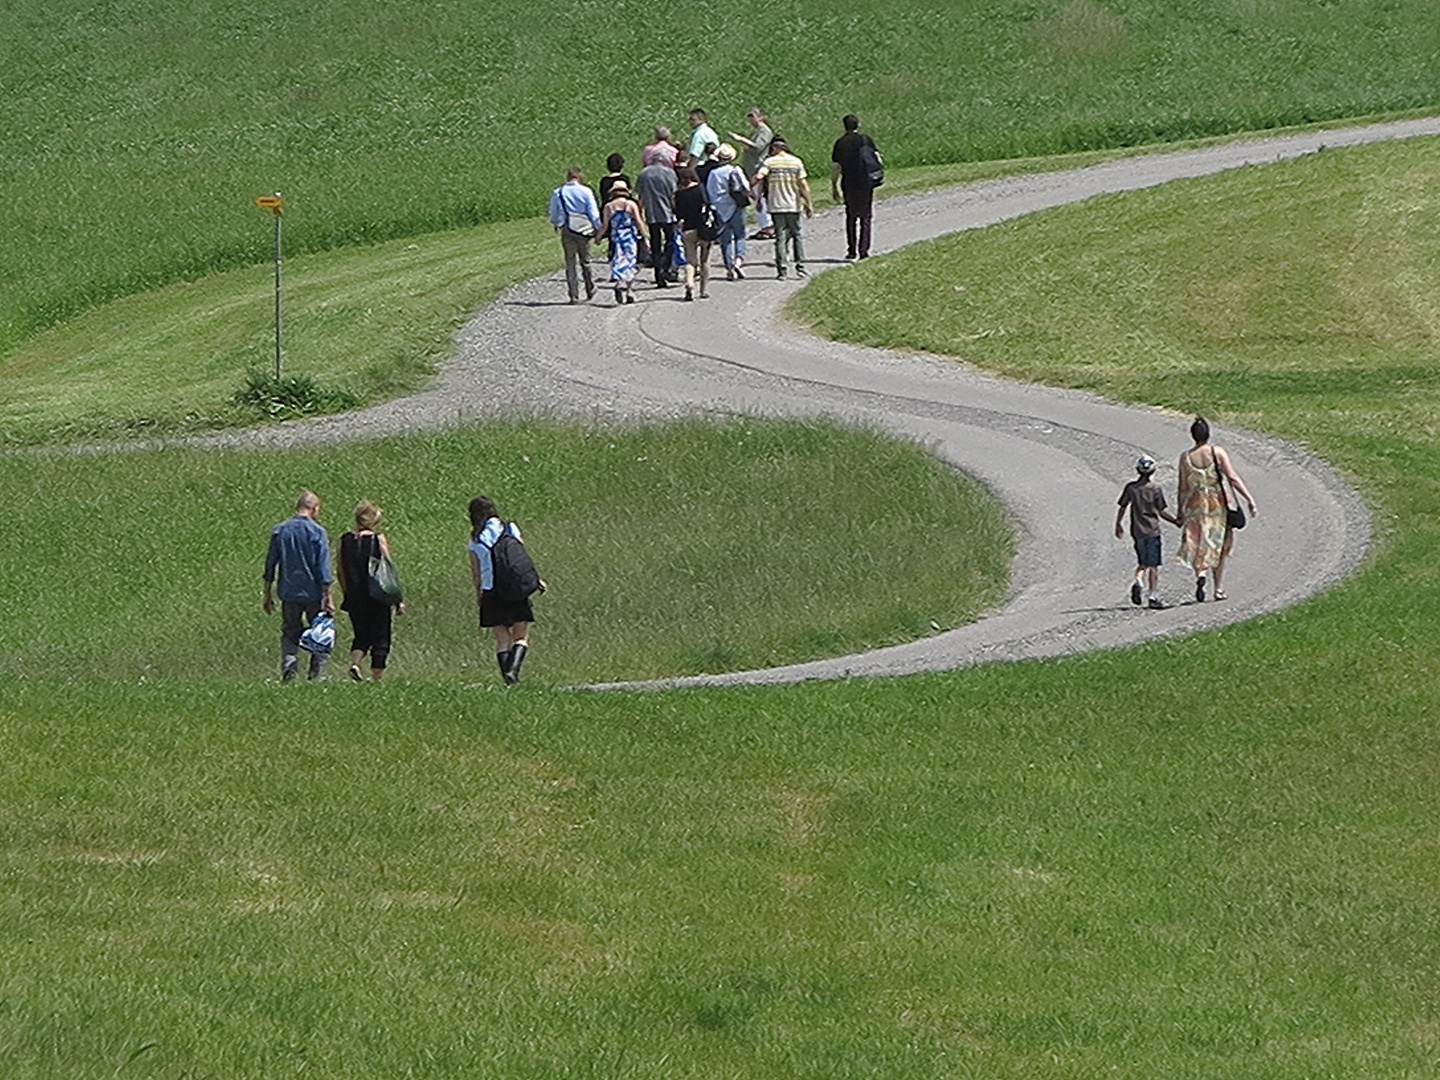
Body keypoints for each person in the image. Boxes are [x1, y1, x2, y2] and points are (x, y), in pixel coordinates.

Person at [1176, 416, 1258, 602]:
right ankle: (1218, 589)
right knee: (1220, 545)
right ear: (1208, 434)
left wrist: (1180, 511)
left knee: (1198, 543)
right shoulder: (1217, 452)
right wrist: (1249, 498)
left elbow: (1182, 487)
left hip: (1195, 505)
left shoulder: (1185, 458)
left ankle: (1201, 574)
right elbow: (1232, 477)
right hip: (1218, 504)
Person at [468, 496, 544, 685]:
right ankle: (513, 670)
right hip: (515, 587)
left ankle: (509, 680)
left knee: (502, 639)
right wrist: (534, 580)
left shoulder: (475, 539)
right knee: (521, 636)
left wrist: (479, 595)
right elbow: (521, 559)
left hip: (491, 590)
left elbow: (476, 573)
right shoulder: (509, 528)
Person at [263, 490, 335, 682]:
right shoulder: (318, 532)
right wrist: (328, 596)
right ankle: (316, 673)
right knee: (320, 633)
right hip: (313, 593)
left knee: (290, 631)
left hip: (289, 591)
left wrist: (267, 594)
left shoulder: (280, 531)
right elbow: (323, 568)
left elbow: (270, 564)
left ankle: (289, 663)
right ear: (314, 508)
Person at [336, 499, 402, 681]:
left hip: (354, 595)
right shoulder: (377, 539)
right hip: (377, 594)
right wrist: (398, 600)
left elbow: (340, 570)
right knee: (381, 636)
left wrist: (346, 592)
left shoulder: (344, 540)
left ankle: (355, 664)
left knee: (361, 635)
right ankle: (376, 677)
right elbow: (388, 569)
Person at [1115, 455, 1180, 609]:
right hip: (1152, 530)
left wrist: (1118, 524)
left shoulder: (1131, 488)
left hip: (1137, 531)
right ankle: (1153, 596)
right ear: (1153, 471)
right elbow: (1161, 511)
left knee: (1142, 562)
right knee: (1153, 565)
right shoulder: (1155, 489)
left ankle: (1138, 580)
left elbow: (1122, 506)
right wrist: (1175, 521)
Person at [752, 137, 813, 279]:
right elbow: (803, 184)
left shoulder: (769, 162)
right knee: (797, 235)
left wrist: (752, 187)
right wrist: (809, 203)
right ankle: (800, 266)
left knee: (780, 237)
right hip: (793, 204)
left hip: (776, 204)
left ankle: (782, 269)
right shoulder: (796, 162)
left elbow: (760, 176)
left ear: (775, 149)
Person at [547, 166, 602, 304]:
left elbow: (553, 212)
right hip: (584, 229)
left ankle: (573, 294)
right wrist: (597, 228)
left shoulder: (558, 192)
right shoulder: (586, 191)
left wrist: (557, 223)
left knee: (570, 262)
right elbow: (593, 212)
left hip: (567, 229)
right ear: (579, 177)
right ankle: (590, 287)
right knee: (586, 261)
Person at [831, 114, 881, 260]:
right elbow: (877, 158)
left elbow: (836, 167)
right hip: (865, 182)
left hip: (849, 182)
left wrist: (834, 185)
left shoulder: (840, 143)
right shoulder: (866, 140)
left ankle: (851, 250)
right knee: (866, 216)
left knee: (851, 216)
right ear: (858, 125)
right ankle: (864, 250)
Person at [596, 179, 646, 304]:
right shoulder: (631, 204)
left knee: (618, 260)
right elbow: (639, 222)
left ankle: (619, 282)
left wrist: (598, 237)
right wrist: (645, 237)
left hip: (616, 237)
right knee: (630, 262)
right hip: (630, 237)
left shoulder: (609, 206)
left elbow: (605, 226)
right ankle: (629, 290)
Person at [706, 143, 749, 280]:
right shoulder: (735, 170)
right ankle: (739, 260)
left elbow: (709, 192)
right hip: (735, 206)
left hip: (720, 208)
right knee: (740, 235)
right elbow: (746, 186)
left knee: (725, 240)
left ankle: (729, 267)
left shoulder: (713, 173)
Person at [729, 107, 774, 239]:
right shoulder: (756, 131)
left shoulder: (764, 131)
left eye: (752, 115)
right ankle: (765, 224)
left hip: (758, 168)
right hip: (752, 168)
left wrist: (741, 140)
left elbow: (758, 147)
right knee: (756, 197)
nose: (750, 119)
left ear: (760, 117)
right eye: (748, 116)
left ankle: (768, 226)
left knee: (760, 198)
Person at [635, 154, 677, 288]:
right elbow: (673, 194)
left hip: (651, 213)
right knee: (670, 241)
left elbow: (640, 196)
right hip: (668, 213)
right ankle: (666, 266)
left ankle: (658, 273)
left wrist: (639, 213)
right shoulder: (670, 173)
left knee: (655, 244)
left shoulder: (644, 174)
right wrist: (676, 210)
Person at [673, 165, 714, 301]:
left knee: (690, 261)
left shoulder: (679, 194)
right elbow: (709, 205)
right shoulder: (700, 190)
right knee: (705, 260)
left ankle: (690, 283)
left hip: (688, 229)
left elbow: (677, 213)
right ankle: (704, 290)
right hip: (703, 228)